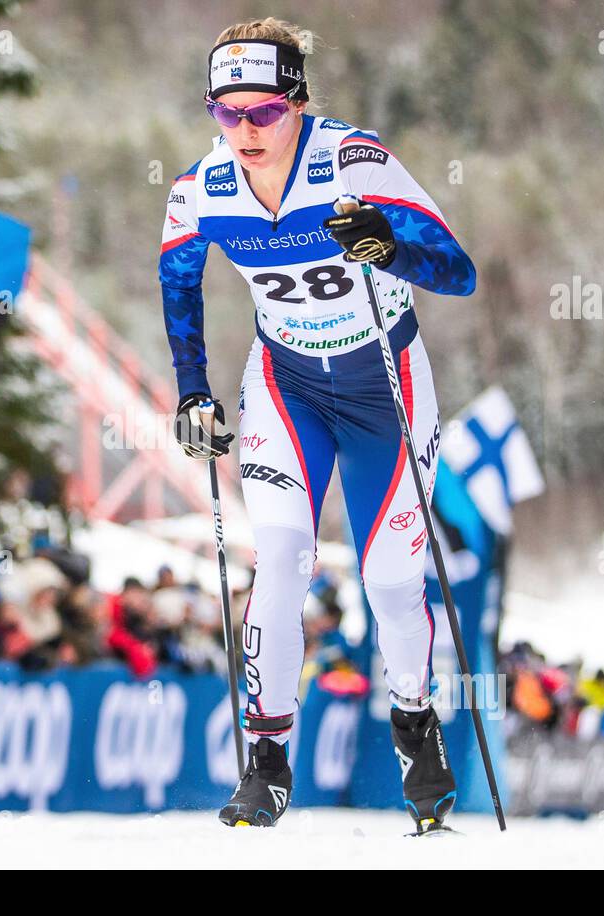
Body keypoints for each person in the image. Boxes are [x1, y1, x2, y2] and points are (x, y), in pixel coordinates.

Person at [160, 18, 475, 832]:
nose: (245, 131)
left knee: (389, 585)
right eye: (226, 114)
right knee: (282, 563)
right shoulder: (202, 188)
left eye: (262, 112)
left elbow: (458, 270)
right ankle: (266, 763)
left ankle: (414, 722)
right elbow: (178, 281)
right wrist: (193, 390)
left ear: (297, 102)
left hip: (385, 387)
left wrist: (389, 245)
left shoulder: (352, 160)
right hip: (287, 385)